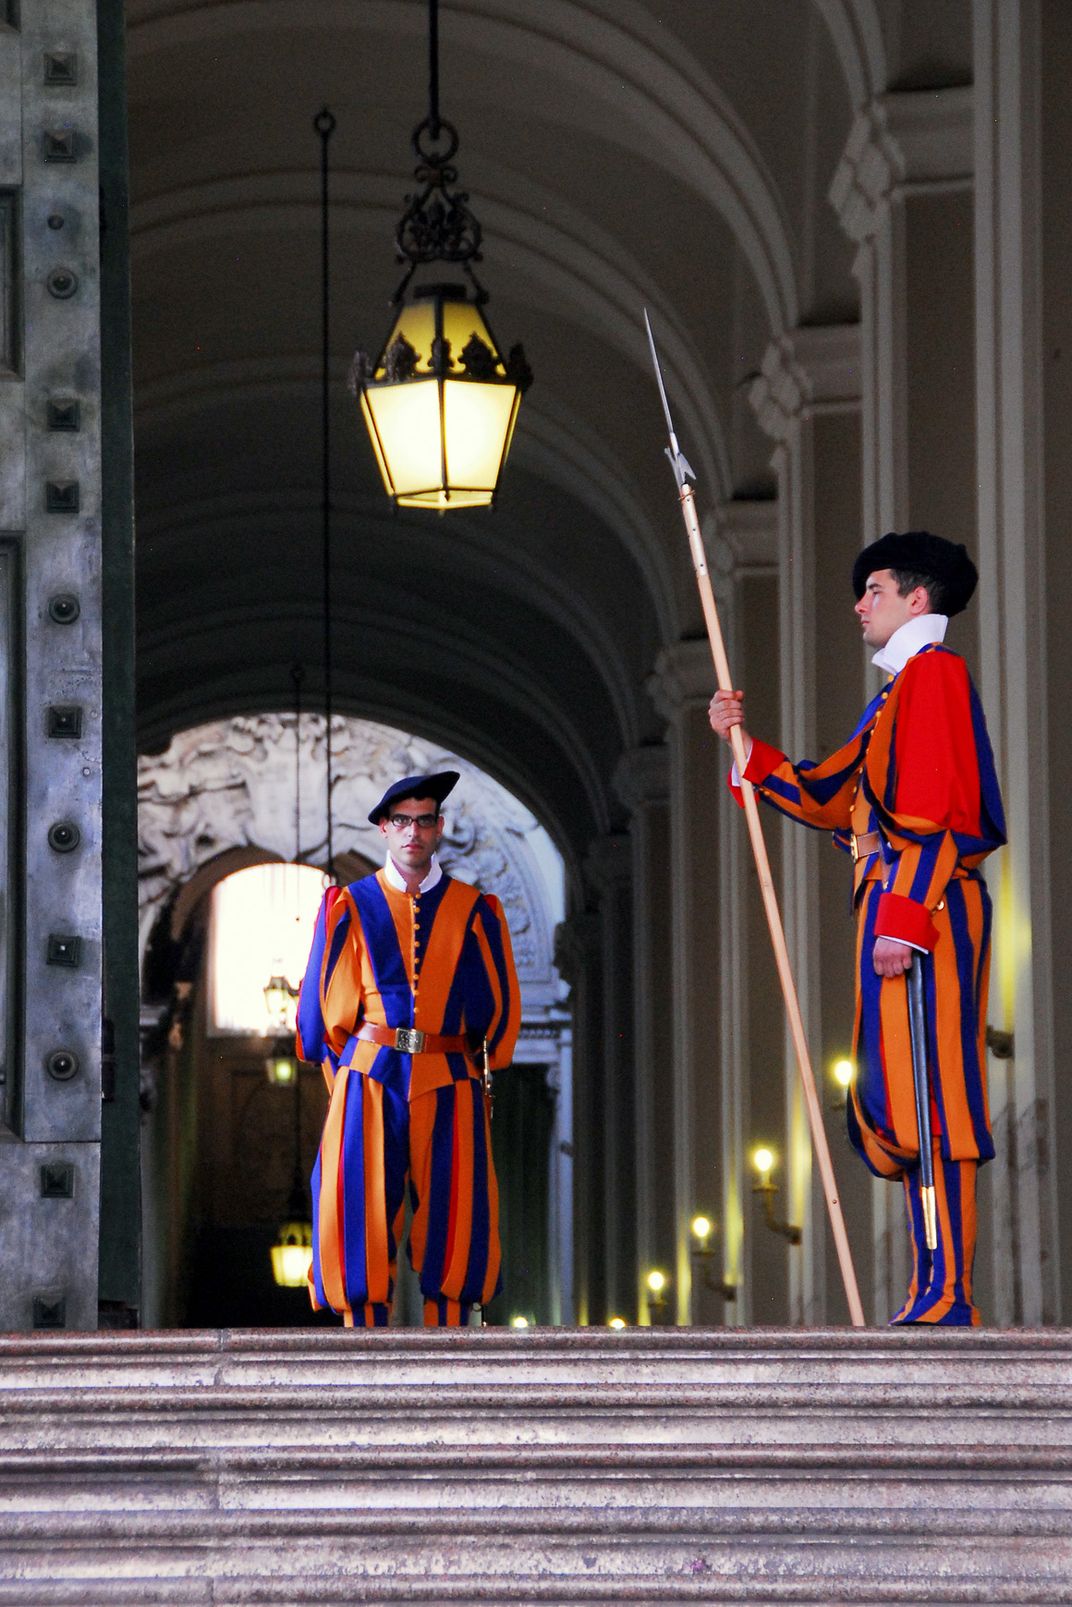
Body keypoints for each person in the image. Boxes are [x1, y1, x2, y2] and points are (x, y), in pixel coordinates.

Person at [709, 532, 1006, 1325]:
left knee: (937, 1098)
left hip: (928, 909)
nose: (857, 604)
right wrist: (742, 743)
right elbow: (832, 792)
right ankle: (929, 1282)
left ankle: (948, 1288)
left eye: (872, 589)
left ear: (918, 597)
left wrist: (903, 920)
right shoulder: (896, 696)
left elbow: (942, 814)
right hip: (903, 908)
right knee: (907, 1098)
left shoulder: (934, 676)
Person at [296, 770, 520, 1327]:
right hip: (370, 1073)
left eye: (423, 821)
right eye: (402, 822)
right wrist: (344, 1076)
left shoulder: (476, 909)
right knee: (358, 1203)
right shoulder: (347, 904)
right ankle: (362, 1342)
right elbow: (318, 1017)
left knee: (456, 1205)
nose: (413, 833)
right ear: (383, 830)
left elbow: (501, 1009)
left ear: (439, 828)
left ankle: (448, 1339)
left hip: (450, 1071)